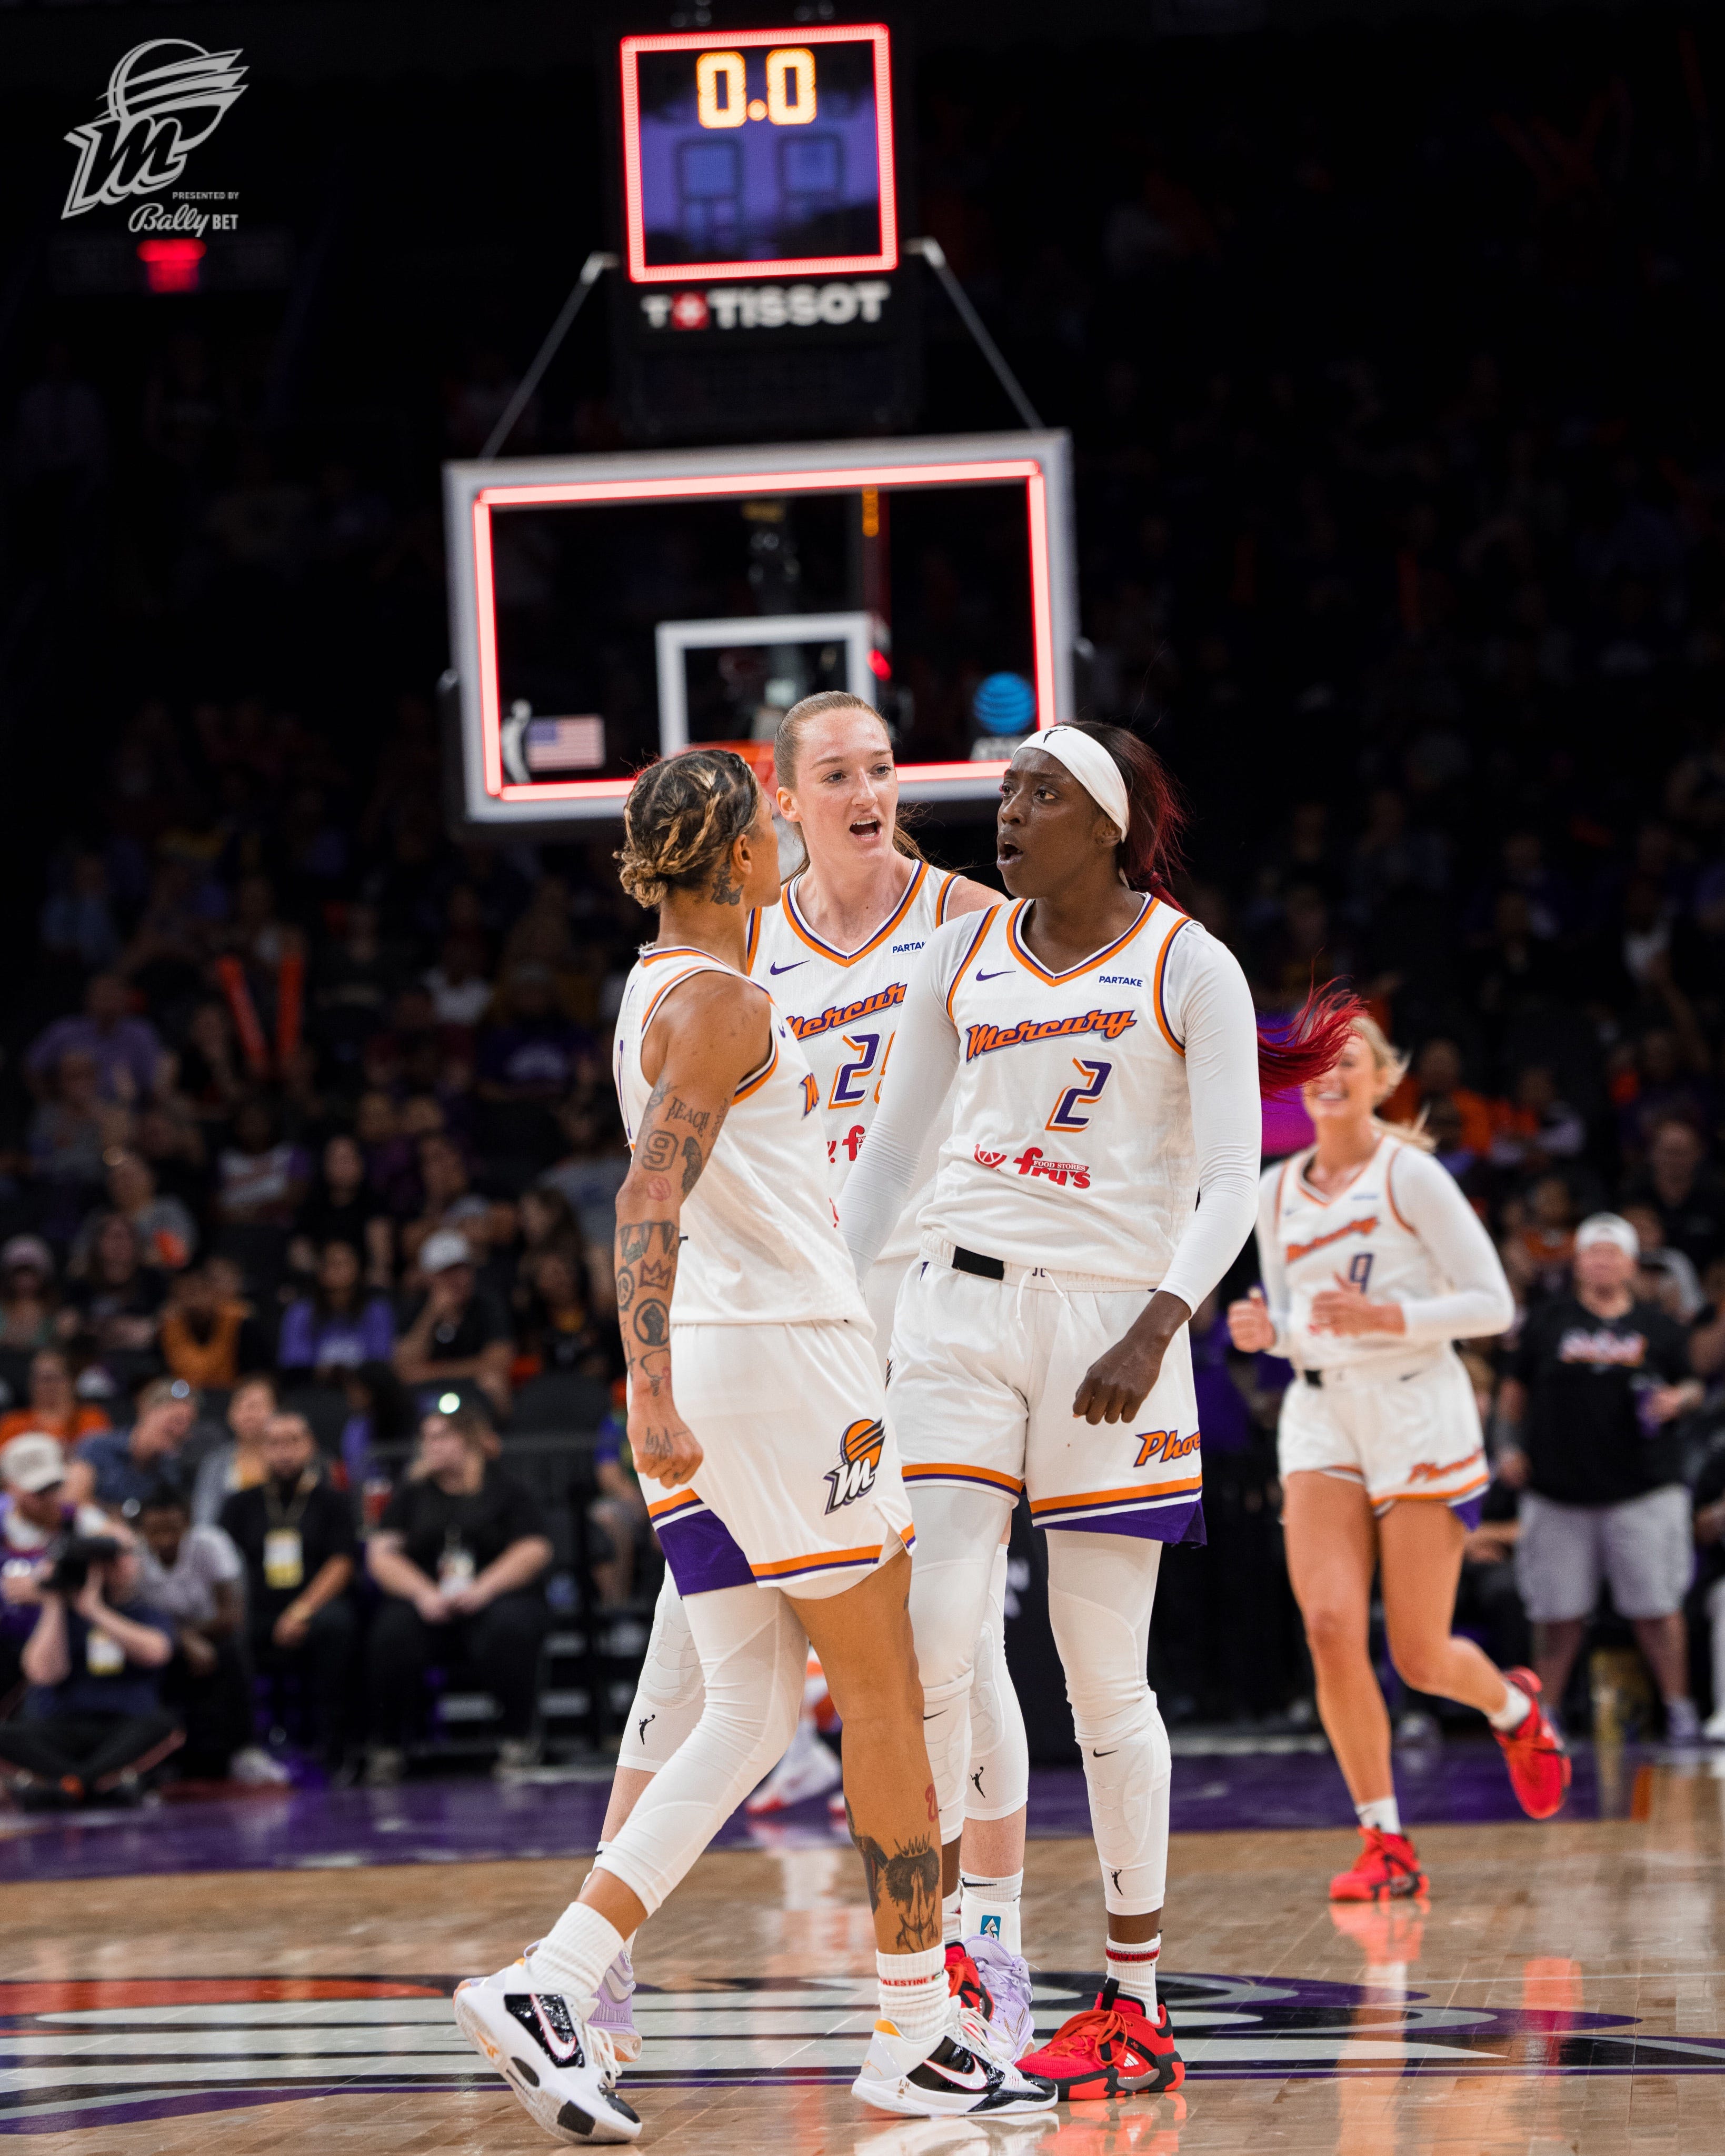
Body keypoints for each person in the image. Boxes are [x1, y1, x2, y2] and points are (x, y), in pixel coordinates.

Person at [453, 748, 1052, 2142]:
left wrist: (659, 1392)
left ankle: (555, 1981)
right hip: (782, 1370)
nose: (788, 834)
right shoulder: (721, 1000)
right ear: (734, 863)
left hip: (730, 1376)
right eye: (771, 821)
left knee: (744, 1714)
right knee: (891, 1697)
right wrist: (642, 1382)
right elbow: (642, 1200)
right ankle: (915, 2028)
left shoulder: (657, 988)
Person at [841, 721, 1338, 2099]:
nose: (1008, 812)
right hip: (953, 1309)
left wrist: (1157, 1320)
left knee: (1099, 1675)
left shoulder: (1192, 963)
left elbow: (1233, 1179)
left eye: (1040, 793)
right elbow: (885, 1162)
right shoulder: (960, 952)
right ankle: (937, 1964)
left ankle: (1130, 2000)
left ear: (1106, 824)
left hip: (1115, 1323)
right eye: (1004, 791)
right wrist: (835, 1321)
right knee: (931, 1636)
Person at [586, 692, 1024, 2053]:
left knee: (947, 1656)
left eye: (883, 766)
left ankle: (983, 1958)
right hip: (781, 1343)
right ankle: (593, 1979)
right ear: (774, 808)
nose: (864, 789)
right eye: (835, 771)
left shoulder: (961, 920)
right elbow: (650, 1192)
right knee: (733, 1677)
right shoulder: (735, 963)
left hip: (919, 1318)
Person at [1228, 1015, 1567, 1906]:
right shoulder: (1272, 1191)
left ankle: (1514, 1710)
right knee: (1331, 1627)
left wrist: (1392, 1319)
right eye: (1315, 1062)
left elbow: (1494, 1306)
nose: (1328, 1073)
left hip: (1416, 1403)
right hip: (1322, 1411)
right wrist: (1271, 1333)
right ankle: (1384, 1840)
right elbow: (1299, 1320)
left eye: (1349, 1059)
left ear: (1384, 1080)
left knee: (1418, 1654)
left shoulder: (1410, 1176)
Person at [1496, 1214, 1704, 1744]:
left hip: (1643, 1490)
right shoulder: (1547, 1322)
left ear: (1631, 1264)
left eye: (1613, 1253)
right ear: (1577, 1262)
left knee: (1657, 1610)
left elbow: (1693, 1385)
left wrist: (1677, 1398)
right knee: (1556, 1615)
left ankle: (1678, 1710)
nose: (1602, 1262)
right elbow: (1512, 1394)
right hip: (1557, 1492)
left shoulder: (1659, 1327)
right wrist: (1506, 1446)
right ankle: (1545, 1719)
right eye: (1593, 1253)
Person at [364, 1404, 552, 1783]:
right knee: (391, 1632)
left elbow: (534, 1548)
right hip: (431, 1602)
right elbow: (381, 1554)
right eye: (425, 1438)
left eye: (440, 1437)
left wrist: (484, 1589)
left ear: (466, 1440)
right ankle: (388, 1747)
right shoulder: (413, 1493)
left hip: (493, 1597)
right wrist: (422, 1593)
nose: (429, 1446)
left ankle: (517, 1739)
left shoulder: (507, 1489)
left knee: (512, 1627)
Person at [218, 1411, 359, 1768]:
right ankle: (241, 1751)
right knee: (227, 1638)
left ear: (310, 1447)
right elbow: (219, 1562)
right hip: (257, 1608)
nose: (284, 1453)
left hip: (316, 1607)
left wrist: (301, 1612)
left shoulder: (333, 1501)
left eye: (293, 1442)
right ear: (261, 1450)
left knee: (337, 1627)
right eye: (275, 1444)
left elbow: (342, 1562)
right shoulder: (240, 1504)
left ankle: (337, 1750)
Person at [0, 1529, 180, 1804]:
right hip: (61, 1727)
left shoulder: (145, 1611)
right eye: (100, 1557)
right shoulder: (62, 1611)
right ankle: (93, 1785)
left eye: (118, 1556)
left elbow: (157, 1653)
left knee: (165, 1725)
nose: (110, 1565)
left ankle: (68, 1785)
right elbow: (43, 1673)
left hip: (123, 1726)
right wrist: (54, 1600)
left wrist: (96, 1611)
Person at [136, 1482, 272, 1782]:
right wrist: (184, 1639)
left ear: (188, 1522)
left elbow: (232, 1615)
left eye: (172, 1529)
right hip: (161, 1641)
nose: (164, 1540)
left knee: (234, 1650)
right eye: (154, 1532)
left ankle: (244, 1749)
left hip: (216, 1636)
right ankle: (157, 1755)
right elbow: (137, 1618)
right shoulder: (134, 1557)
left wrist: (191, 1637)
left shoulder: (211, 1543)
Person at [0, 1432, 114, 1694]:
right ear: (10, 1487)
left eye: (55, 1486)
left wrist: (48, 1589)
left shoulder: (78, 1519)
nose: (51, 1498)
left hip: (65, 1649)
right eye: (39, 1491)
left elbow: (127, 1550)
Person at [393, 1230, 513, 1416]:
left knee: (494, 1383)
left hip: (473, 1387)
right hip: (428, 1393)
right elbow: (403, 1366)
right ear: (429, 1277)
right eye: (447, 1272)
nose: (459, 1279)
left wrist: (431, 1372)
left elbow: (498, 1362)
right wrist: (432, 1314)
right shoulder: (415, 1307)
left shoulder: (487, 1303)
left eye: (463, 1269)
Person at [68, 1375, 195, 1513]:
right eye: (176, 1421)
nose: (181, 1432)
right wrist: (105, 1524)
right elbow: (71, 1502)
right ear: (146, 1410)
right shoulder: (97, 1447)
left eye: (189, 1425)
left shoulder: (171, 1473)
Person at [277, 1240, 396, 1377]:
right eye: (331, 1263)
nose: (337, 1270)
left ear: (359, 1269)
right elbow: (294, 1364)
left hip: (364, 1390)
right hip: (313, 1391)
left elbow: (380, 1362)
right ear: (320, 1270)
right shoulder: (300, 1313)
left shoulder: (377, 1311)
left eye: (343, 1263)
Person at [158, 1262, 272, 1391]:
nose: (195, 1301)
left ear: (213, 1290)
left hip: (230, 1396)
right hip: (182, 1398)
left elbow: (259, 1375)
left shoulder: (240, 1322)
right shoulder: (169, 1324)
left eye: (197, 1291)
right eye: (185, 1293)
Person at [190, 1372, 275, 1527]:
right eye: (240, 1407)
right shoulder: (215, 1463)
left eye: (255, 1407)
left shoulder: (289, 1459)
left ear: (275, 1411)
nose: (248, 1415)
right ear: (230, 1415)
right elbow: (203, 1520)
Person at [0, 1347, 111, 1449]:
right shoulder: (13, 1423)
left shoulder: (91, 1418)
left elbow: (103, 1458)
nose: (47, 1386)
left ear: (71, 1381)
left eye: (53, 1378)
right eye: (39, 1379)